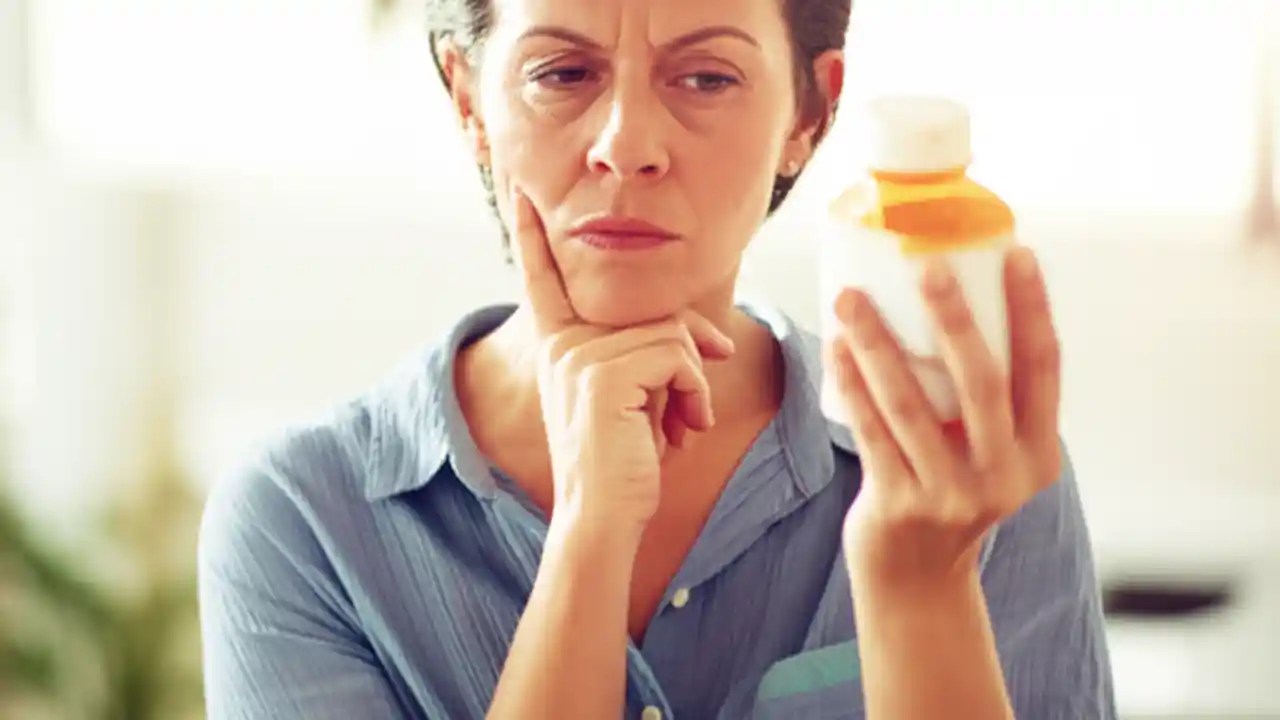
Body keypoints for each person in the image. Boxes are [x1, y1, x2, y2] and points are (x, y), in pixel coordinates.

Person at [197, 0, 1117, 717]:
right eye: (562, 73)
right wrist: (589, 539)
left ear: (810, 113)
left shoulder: (969, 480)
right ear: (468, 99)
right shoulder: (300, 521)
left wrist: (922, 591)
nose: (627, 146)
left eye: (707, 78)